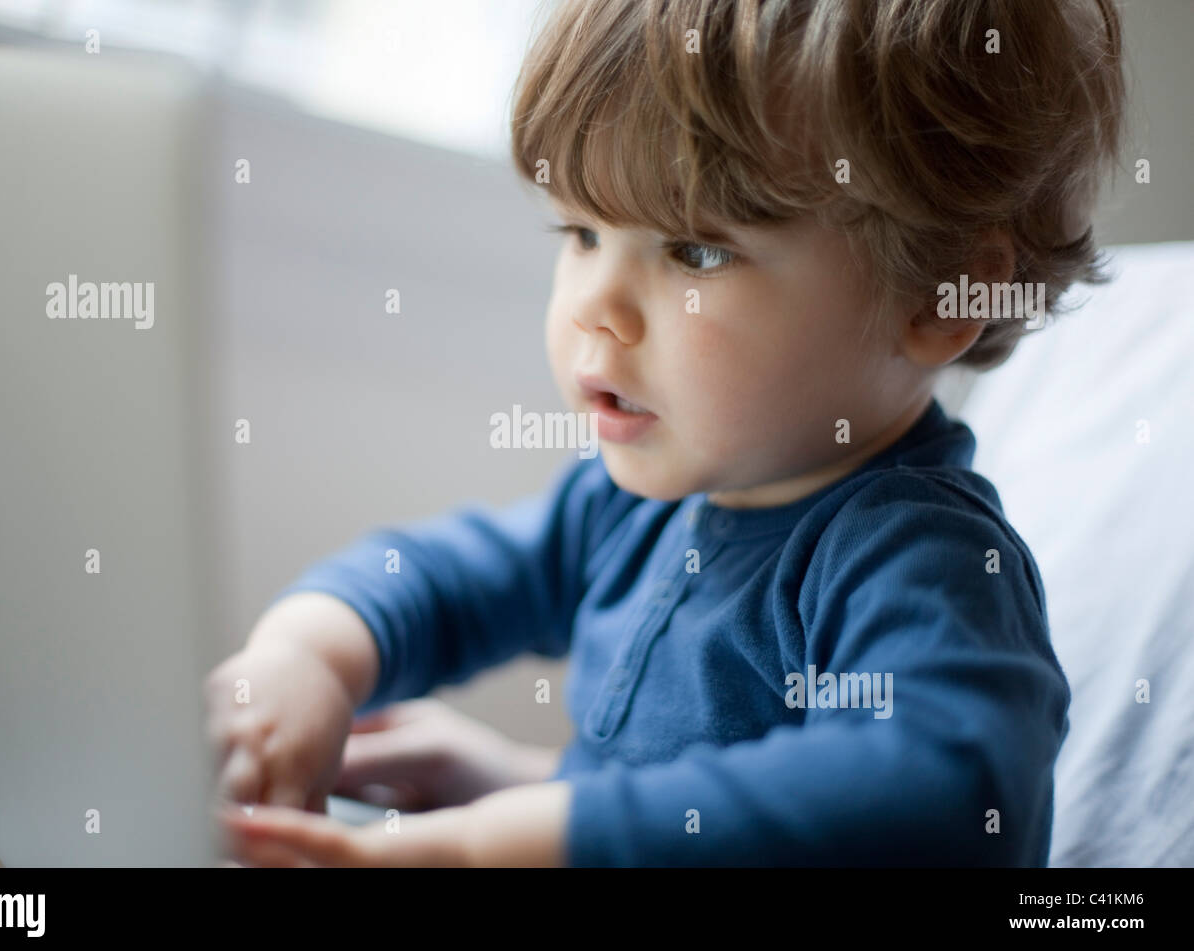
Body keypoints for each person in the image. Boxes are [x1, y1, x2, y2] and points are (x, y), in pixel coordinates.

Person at [208, 0, 1125, 866]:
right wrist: (311, 656)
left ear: (939, 295)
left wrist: (517, 840)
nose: (595, 310)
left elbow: (940, 786)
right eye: (580, 232)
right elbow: (451, 577)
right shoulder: (639, 499)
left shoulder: (915, 558)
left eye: (695, 251)